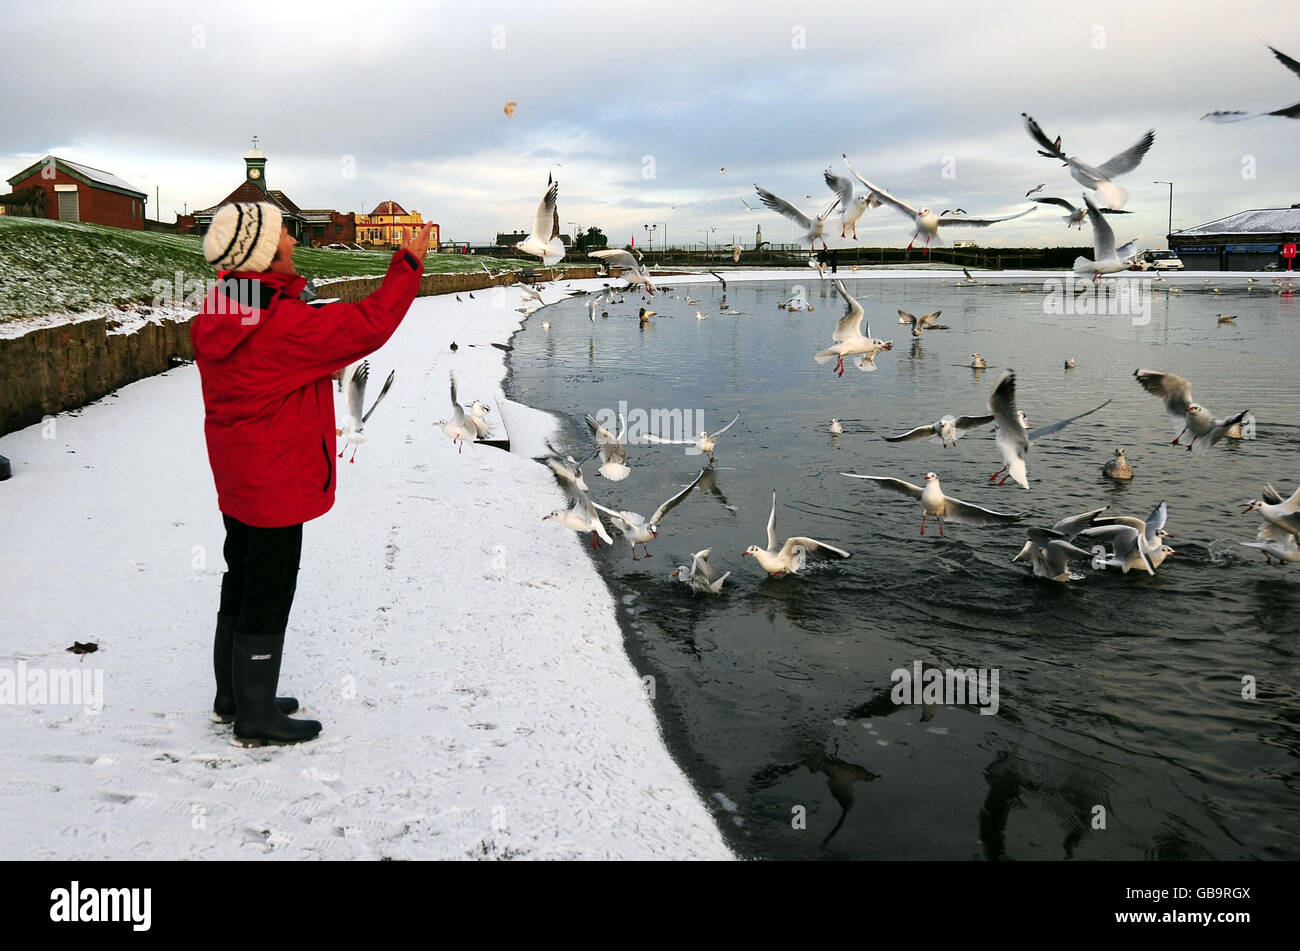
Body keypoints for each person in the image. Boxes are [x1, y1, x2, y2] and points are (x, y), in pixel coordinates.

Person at [192, 201, 433, 746]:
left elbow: (285, 340)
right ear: (258, 254)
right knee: (269, 590)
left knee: (242, 577)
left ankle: (234, 696)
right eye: (283, 240)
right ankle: (254, 719)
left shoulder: (226, 309)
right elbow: (367, 325)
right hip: (277, 479)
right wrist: (406, 265)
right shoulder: (281, 326)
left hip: (240, 477)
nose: (294, 244)